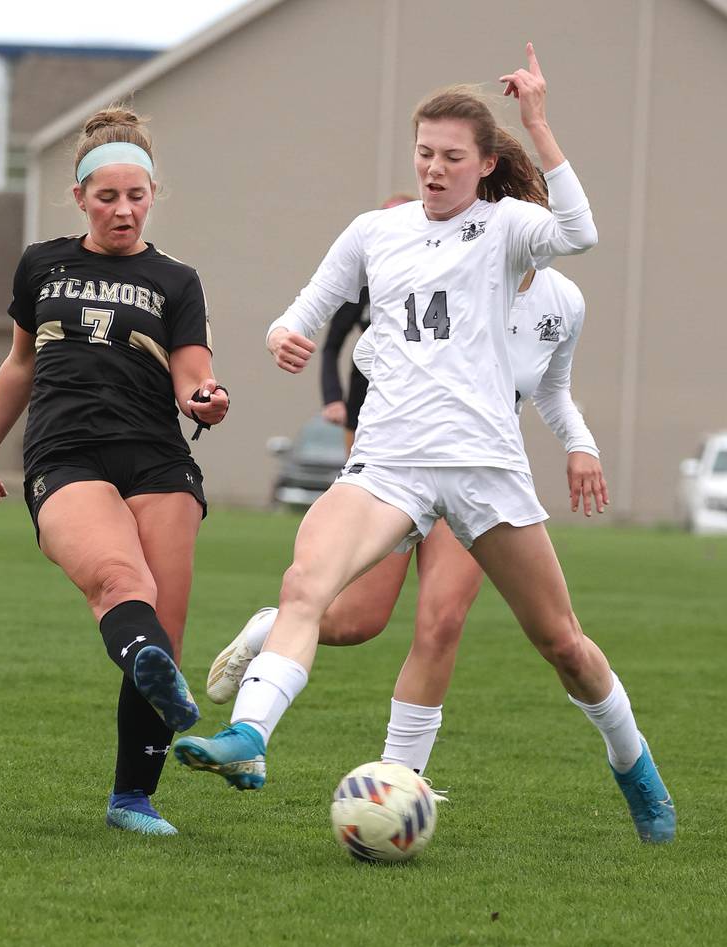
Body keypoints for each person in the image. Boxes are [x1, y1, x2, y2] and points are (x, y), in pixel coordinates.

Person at [175, 45, 675, 844]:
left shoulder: (508, 228)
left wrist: (539, 123)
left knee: (564, 644)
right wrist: (284, 336)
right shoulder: (376, 230)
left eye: (451, 157)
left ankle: (634, 764)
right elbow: (305, 309)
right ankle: (250, 733)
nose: (435, 169)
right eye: (425, 154)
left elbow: (579, 232)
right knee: (309, 580)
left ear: (483, 166)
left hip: (484, 468)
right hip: (390, 461)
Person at [205, 254, 608, 784]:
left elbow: (551, 387)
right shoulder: (436, 267)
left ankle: (398, 778)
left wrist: (580, 444)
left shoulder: (560, 297)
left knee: (442, 623)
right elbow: (363, 355)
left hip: (479, 475)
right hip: (401, 465)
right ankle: (269, 630)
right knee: (356, 622)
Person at [0, 106, 229, 837]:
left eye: (136, 196)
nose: (123, 210)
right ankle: (143, 660)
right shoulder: (42, 263)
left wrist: (206, 399)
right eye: (107, 197)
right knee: (122, 583)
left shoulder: (176, 280)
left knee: (162, 633)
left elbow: (192, 376)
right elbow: (20, 363)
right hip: (66, 450)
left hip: (157, 455)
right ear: (80, 197)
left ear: (152, 194)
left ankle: (132, 798)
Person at [320, 194, 415, 454]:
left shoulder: (436, 277)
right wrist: (333, 398)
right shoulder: (364, 284)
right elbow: (331, 346)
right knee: (358, 473)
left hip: (416, 387)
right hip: (365, 389)